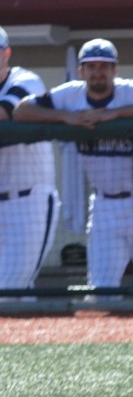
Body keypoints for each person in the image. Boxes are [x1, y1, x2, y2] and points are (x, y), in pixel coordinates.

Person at [14, 38, 133, 292]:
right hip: (103, 205)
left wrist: (117, 113)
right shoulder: (69, 95)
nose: (97, 72)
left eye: (104, 66)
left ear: (115, 70)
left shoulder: (129, 91)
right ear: (81, 71)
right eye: (91, 66)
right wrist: (64, 117)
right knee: (100, 290)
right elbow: (21, 111)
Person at [0, 26, 60, 292]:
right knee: (16, 297)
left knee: (10, 290)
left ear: (6, 53)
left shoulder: (26, 80)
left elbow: (6, 112)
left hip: (28, 202)